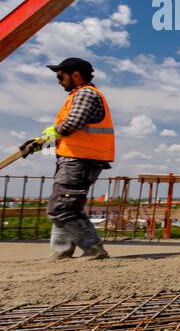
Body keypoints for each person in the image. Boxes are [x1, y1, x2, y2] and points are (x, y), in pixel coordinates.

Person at [22, 58, 115, 260]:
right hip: (75, 158)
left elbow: (72, 123)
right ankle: (61, 251)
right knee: (64, 206)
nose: (58, 81)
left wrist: (47, 137)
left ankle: (93, 249)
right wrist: (43, 142)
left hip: (80, 160)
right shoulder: (78, 95)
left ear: (75, 75)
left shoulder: (85, 93)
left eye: (60, 76)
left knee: (62, 208)